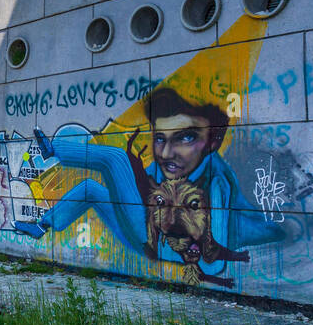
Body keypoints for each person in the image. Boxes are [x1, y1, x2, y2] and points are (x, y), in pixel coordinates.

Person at [15, 87, 282, 273]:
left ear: (211, 142)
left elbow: (216, 255)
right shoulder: (174, 169)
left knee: (114, 159)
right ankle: (42, 225)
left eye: (186, 137)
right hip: (143, 227)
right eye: (161, 139)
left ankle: (55, 151)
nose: (166, 152)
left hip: (153, 237)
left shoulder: (216, 179)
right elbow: (146, 187)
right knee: (90, 189)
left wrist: (185, 245)